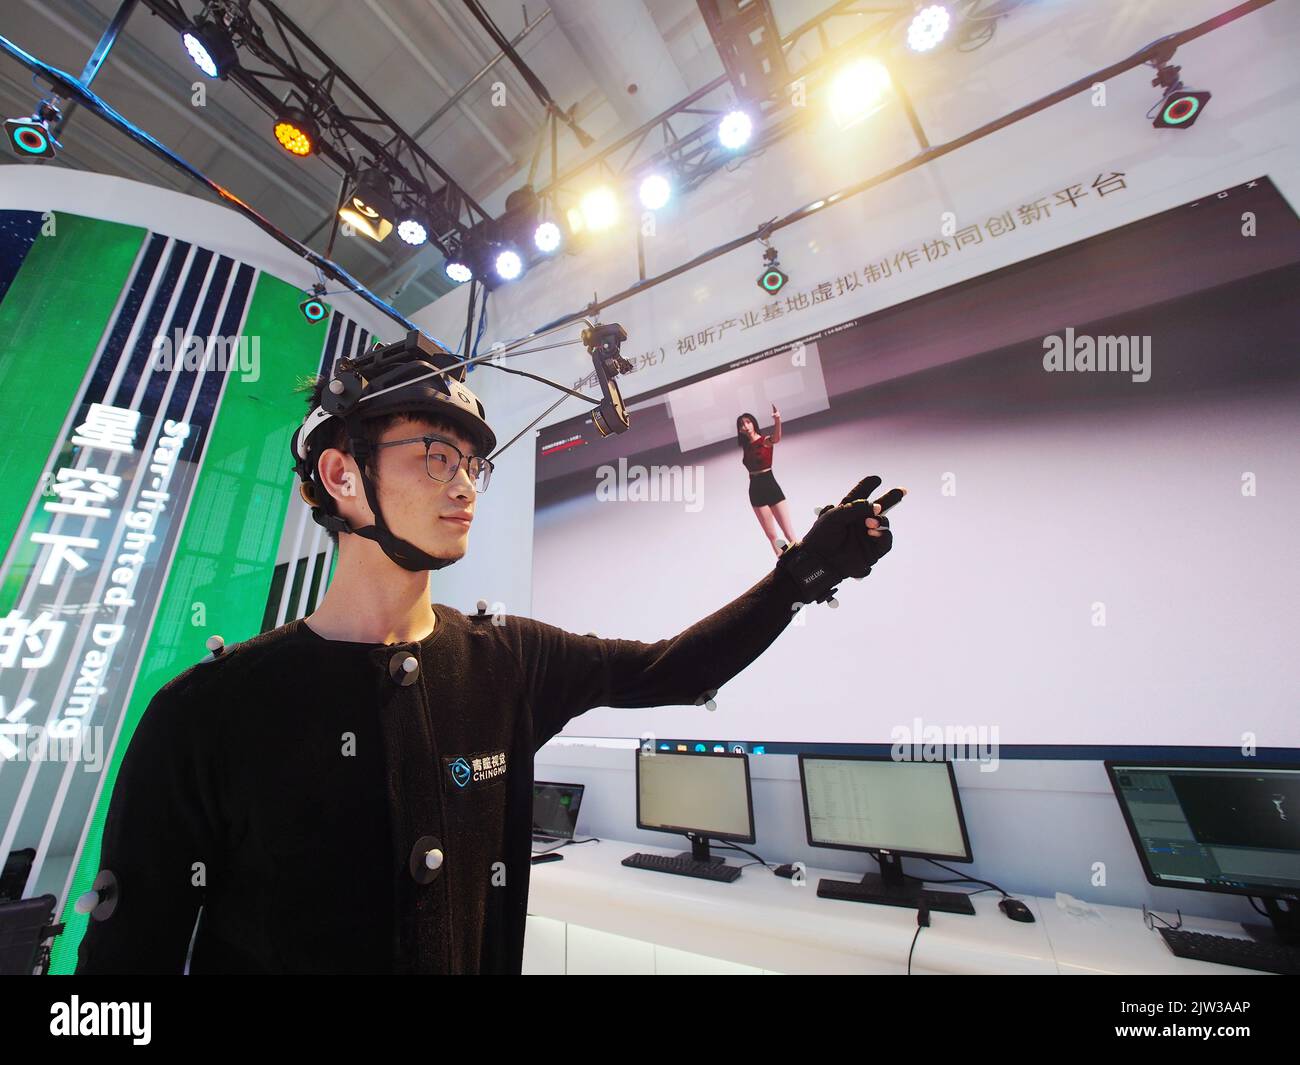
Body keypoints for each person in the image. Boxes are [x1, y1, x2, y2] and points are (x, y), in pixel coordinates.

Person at [75, 336, 899, 974]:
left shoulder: (507, 660)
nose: (465, 483)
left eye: (472, 462)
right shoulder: (207, 713)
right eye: (435, 454)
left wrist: (802, 574)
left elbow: (674, 671)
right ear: (341, 474)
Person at [737, 405, 797, 556]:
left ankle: (805, 560)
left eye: (748, 422)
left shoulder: (764, 441)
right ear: (740, 430)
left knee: (789, 533)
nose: (745, 426)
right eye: (742, 424)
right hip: (755, 491)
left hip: (770, 486)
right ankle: (783, 564)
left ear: (753, 423)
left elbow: (776, 438)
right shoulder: (746, 446)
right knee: (772, 536)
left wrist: (777, 420)